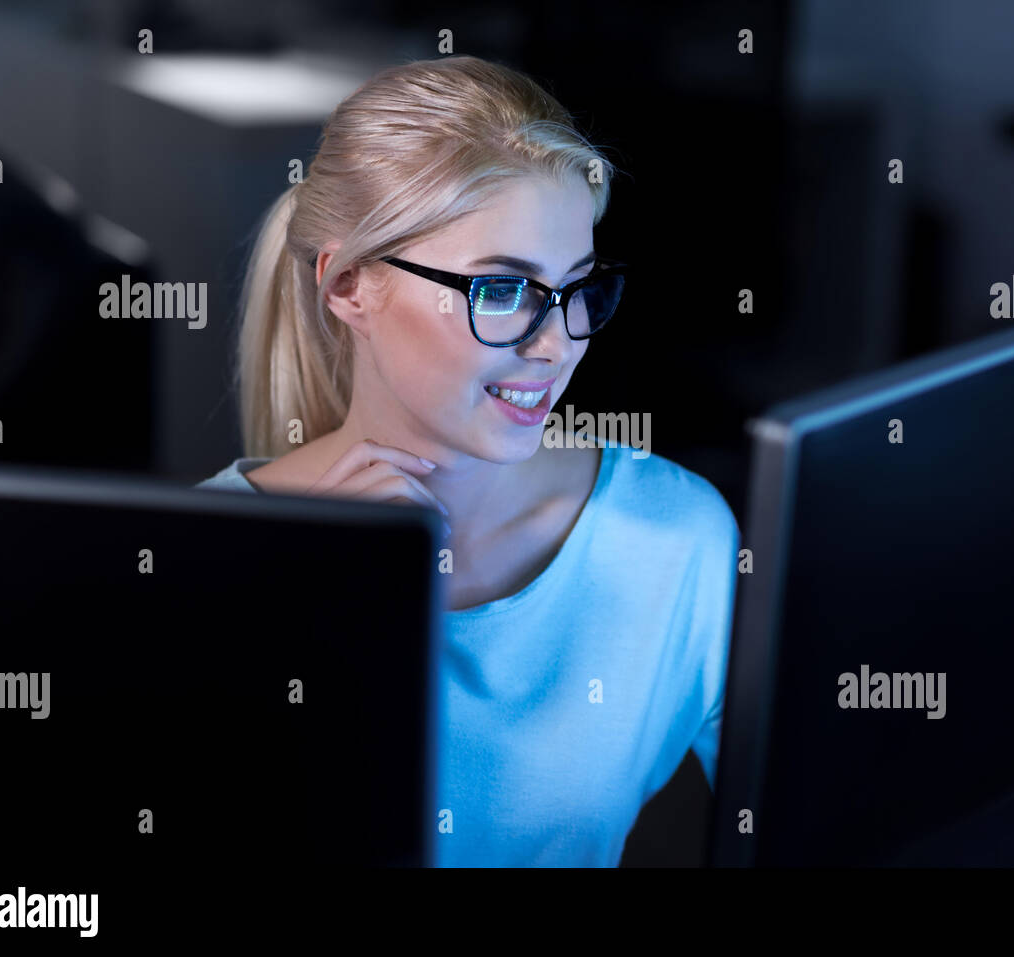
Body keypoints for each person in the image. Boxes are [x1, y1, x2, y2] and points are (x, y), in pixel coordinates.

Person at [197, 55, 738, 866]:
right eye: (500, 290)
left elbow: (839, 820)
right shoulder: (204, 557)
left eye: (577, 290)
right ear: (347, 285)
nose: (558, 345)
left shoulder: (673, 538)